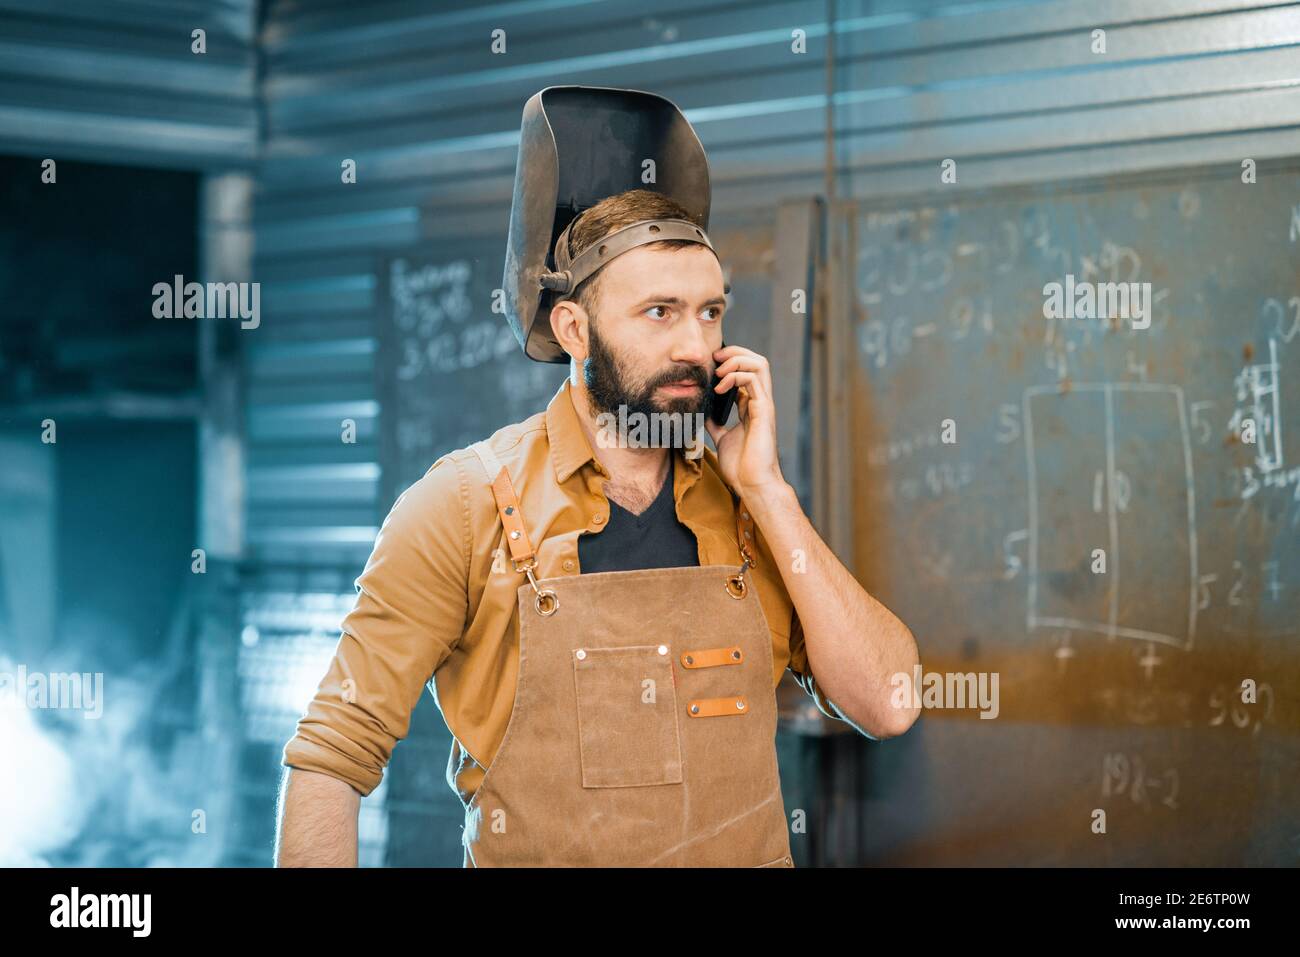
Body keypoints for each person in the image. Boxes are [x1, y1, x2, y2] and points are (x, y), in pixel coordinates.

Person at [276, 87, 919, 868]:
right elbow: (328, 761)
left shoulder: (747, 507)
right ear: (573, 328)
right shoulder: (464, 506)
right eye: (660, 313)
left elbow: (890, 702)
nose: (696, 344)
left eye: (710, 312)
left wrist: (771, 493)